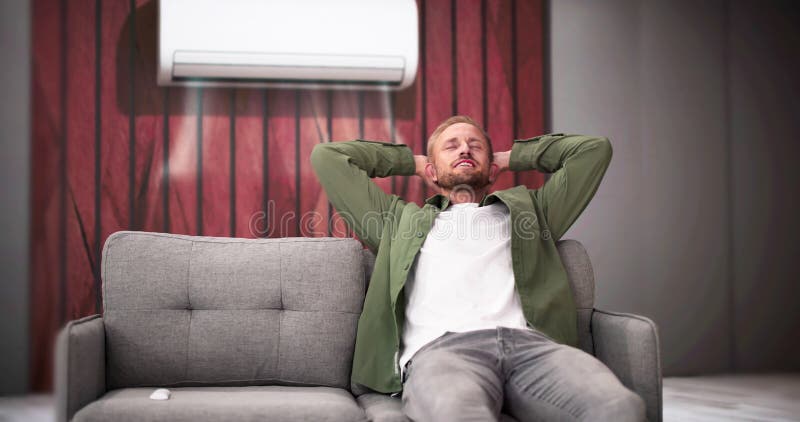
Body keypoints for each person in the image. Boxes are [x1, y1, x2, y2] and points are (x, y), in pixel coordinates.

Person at [310, 115, 645, 421]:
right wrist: (413, 162)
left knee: (620, 408)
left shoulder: (533, 213)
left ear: (493, 167)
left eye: (475, 146)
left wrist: (510, 157)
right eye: (451, 146)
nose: (464, 149)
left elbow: (593, 151)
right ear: (432, 172)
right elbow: (329, 157)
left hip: (535, 350)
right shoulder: (396, 222)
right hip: (444, 354)